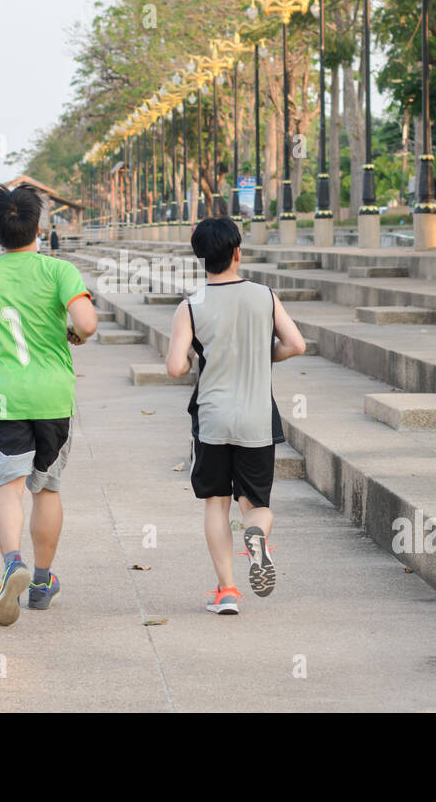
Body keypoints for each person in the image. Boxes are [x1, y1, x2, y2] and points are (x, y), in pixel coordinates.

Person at [0, 183, 99, 626]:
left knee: (8, 488)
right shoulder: (59, 272)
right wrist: (73, 334)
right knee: (47, 489)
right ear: (39, 226)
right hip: (53, 396)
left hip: (4, 398)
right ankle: (41, 581)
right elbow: (87, 323)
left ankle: (12, 561)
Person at [164, 217, 305, 615]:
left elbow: (176, 367)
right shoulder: (265, 296)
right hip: (257, 417)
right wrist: (263, 355)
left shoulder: (191, 305)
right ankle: (257, 533)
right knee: (254, 502)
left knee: (215, 503)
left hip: (212, 419)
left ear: (201, 258)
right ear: (237, 253)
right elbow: (296, 344)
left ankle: (227, 592)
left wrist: (194, 351)